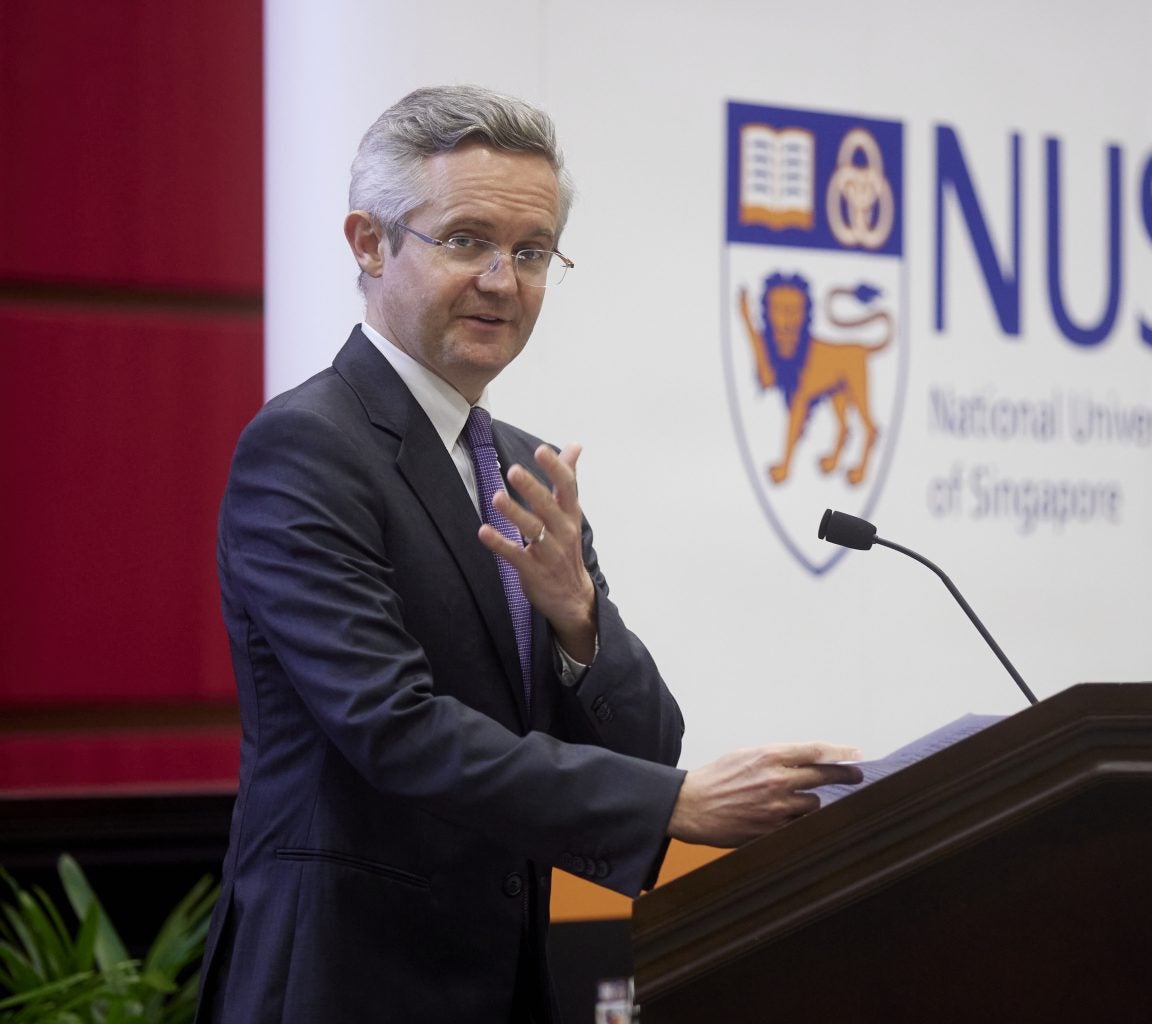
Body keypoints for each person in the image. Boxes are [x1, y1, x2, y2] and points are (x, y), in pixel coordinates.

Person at [194, 85, 859, 1024]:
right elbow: (391, 727)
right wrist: (669, 806)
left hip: (515, 983)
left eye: (532, 251)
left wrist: (580, 621)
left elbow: (644, 739)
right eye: (466, 240)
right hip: (345, 978)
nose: (504, 280)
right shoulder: (304, 447)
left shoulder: (518, 463)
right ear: (368, 243)